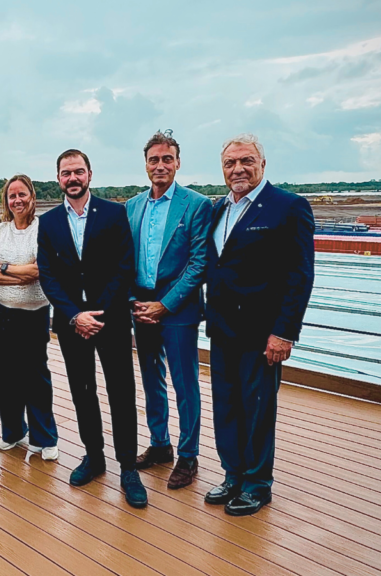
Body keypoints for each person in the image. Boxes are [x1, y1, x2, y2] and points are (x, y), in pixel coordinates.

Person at [205, 133, 315, 516]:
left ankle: (256, 484)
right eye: (230, 163)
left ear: (262, 165)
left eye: (246, 161)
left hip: (261, 334)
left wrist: (284, 332)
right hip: (222, 330)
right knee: (227, 407)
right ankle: (233, 474)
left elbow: (300, 276)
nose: (238, 169)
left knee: (257, 409)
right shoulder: (219, 209)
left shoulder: (288, 207)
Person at [36, 149, 147, 508]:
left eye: (78, 172)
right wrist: (74, 315)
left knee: (121, 392)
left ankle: (128, 467)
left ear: (90, 174)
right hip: (72, 325)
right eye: (66, 173)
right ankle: (94, 457)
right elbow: (49, 276)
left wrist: (97, 312)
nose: (73, 178)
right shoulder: (49, 222)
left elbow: (124, 266)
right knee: (83, 391)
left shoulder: (114, 214)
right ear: (58, 178)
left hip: (110, 320)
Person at [126, 132, 213, 490]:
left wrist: (165, 305)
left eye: (167, 159)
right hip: (141, 306)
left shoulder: (196, 205)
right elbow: (124, 259)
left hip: (177, 309)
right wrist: (134, 301)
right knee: (151, 380)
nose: (160, 165)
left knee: (184, 383)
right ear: (145, 164)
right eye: (153, 160)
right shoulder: (132, 206)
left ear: (177, 163)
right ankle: (160, 444)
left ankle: (188, 455)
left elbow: (199, 262)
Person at [0, 175, 59, 460]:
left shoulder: (43, 229)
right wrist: (16, 273)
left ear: (32, 197)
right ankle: (13, 431)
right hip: (2, 314)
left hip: (35, 314)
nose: (17, 200)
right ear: (6, 201)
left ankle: (45, 437)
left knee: (36, 375)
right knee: (6, 374)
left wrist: (2, 270)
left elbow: (39, 271)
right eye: (12, 196)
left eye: (22, 194)